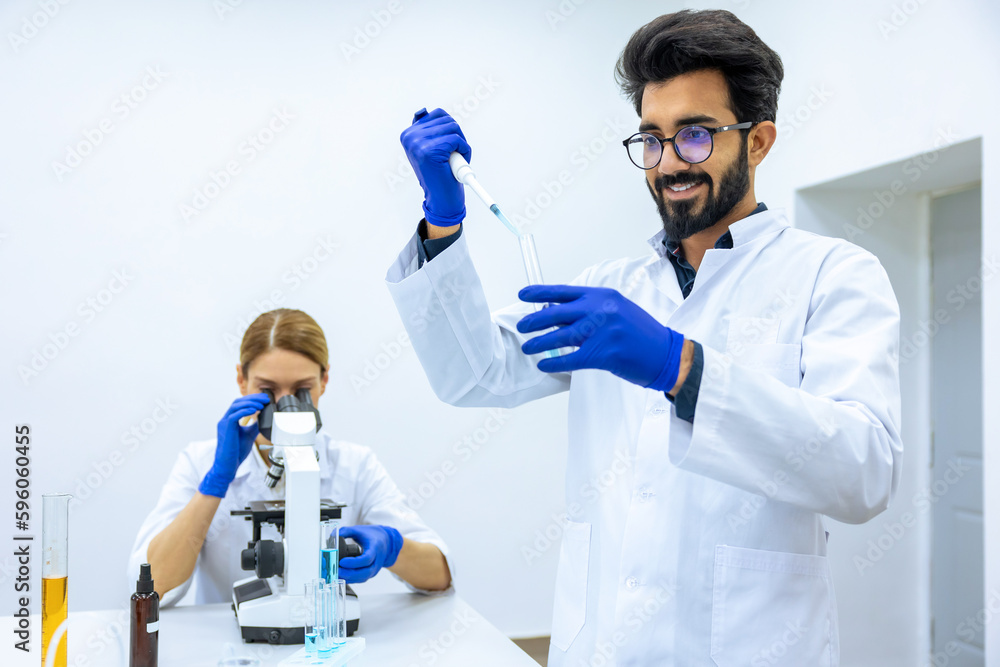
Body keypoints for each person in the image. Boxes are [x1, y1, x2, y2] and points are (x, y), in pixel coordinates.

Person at [387, 9, 900, 666]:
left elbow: (864, 469)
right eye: (651, 140)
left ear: (759, 141)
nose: (667, 164)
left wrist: (679, 366)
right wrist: (441, 224)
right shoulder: (612, 287)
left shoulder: (833, 275)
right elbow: (475, 373)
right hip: (605, 645)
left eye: (694, 136)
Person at [128, 308, 452, 607]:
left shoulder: (355, 465)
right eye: (267, 391)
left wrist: (394, 548)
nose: (284, 406)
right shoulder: (198, 462)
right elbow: (152, 586)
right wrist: (216, 481)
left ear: (324, 381)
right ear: (241, 380)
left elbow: (439, 576)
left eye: (301, 391)